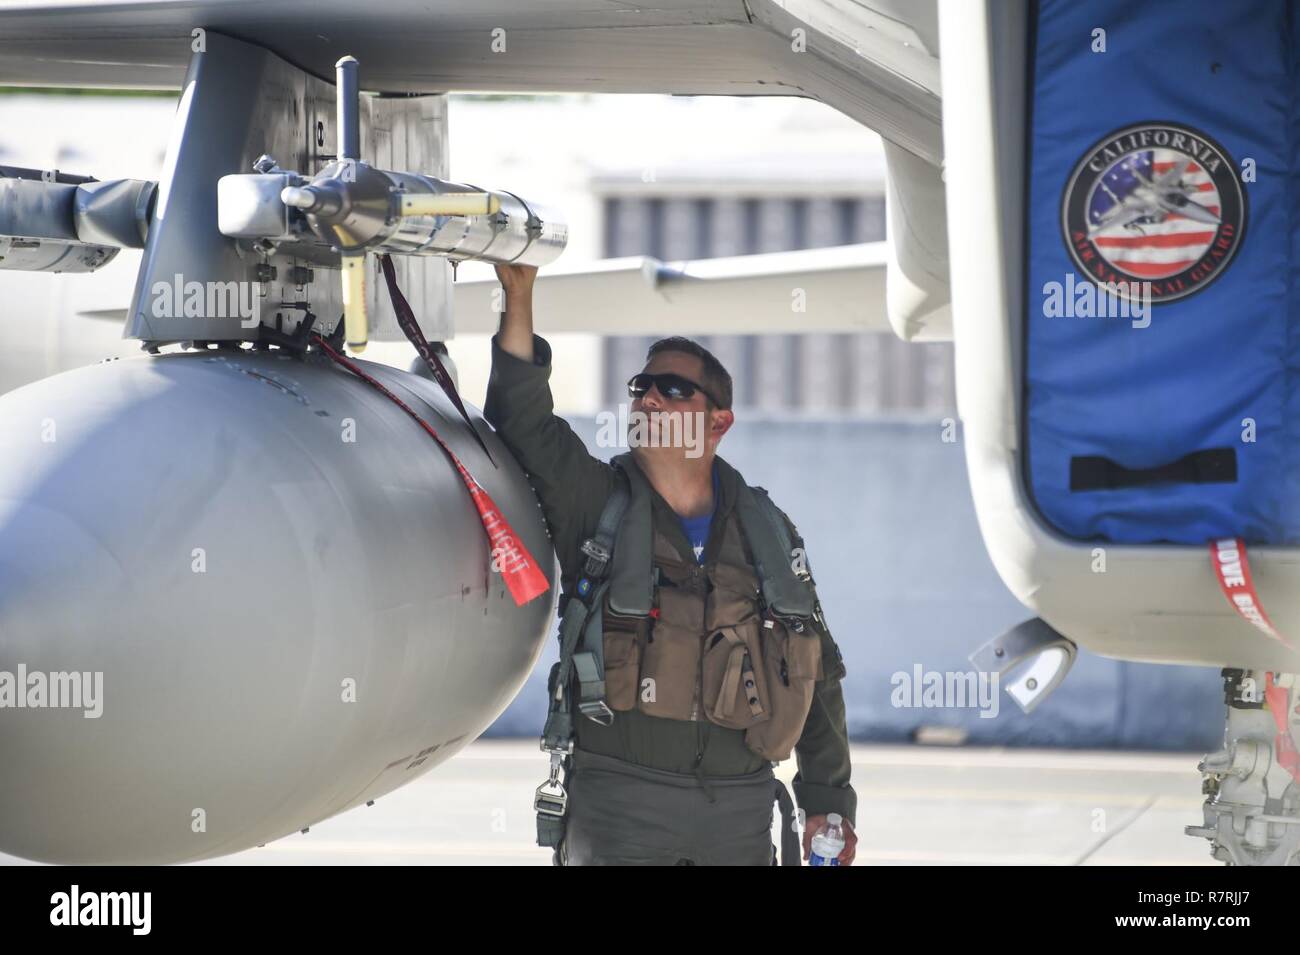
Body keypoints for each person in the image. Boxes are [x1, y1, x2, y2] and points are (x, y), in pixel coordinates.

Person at [485, 262, 857, 866]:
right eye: (640, 385)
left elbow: (816, 667)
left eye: (674, 389)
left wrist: (827, 798)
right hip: (619, 806)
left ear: (719, 422)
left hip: (738, 811)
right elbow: (521, 420)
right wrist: (520, 295)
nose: (649, 396)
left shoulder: (767, 530)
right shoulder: (595, 503)